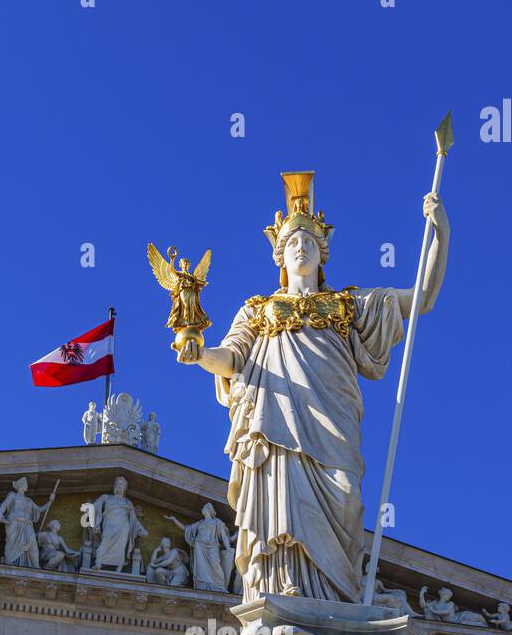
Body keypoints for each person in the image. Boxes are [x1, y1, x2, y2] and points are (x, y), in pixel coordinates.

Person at [175, 172, 449, 603]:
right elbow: (232, 359)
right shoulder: (258, 310)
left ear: (323, 255)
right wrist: (199, 354)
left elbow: (422, 299)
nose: (300, 247)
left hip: (333, 422)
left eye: (309, 242)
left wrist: (439, 235)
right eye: (291, 243)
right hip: (275, 424)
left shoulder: (349, 305)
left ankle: (340, 600)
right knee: (281, 506)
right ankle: (283, 588)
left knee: (346, 497)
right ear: (280, 258)